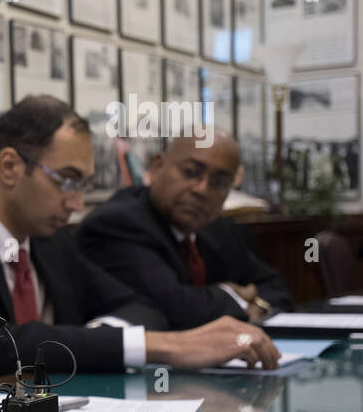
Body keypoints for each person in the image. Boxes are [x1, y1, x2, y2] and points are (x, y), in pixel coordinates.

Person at [0, 95, 280, 400]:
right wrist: (169, 346)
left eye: (83, 185)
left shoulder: (51, 245)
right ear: (11, 167)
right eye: (66, 181)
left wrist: (87, 342)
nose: (77, 203)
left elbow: (141, 308)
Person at [77, 129, 293, 329]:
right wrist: (237, 299)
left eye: (218, 183)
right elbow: (177, 310)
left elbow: (276, 287)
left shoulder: (217, 227)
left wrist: (260, 306)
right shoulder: (118, 223)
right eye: (190, 173)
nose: (202, 190)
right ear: (157, 167)